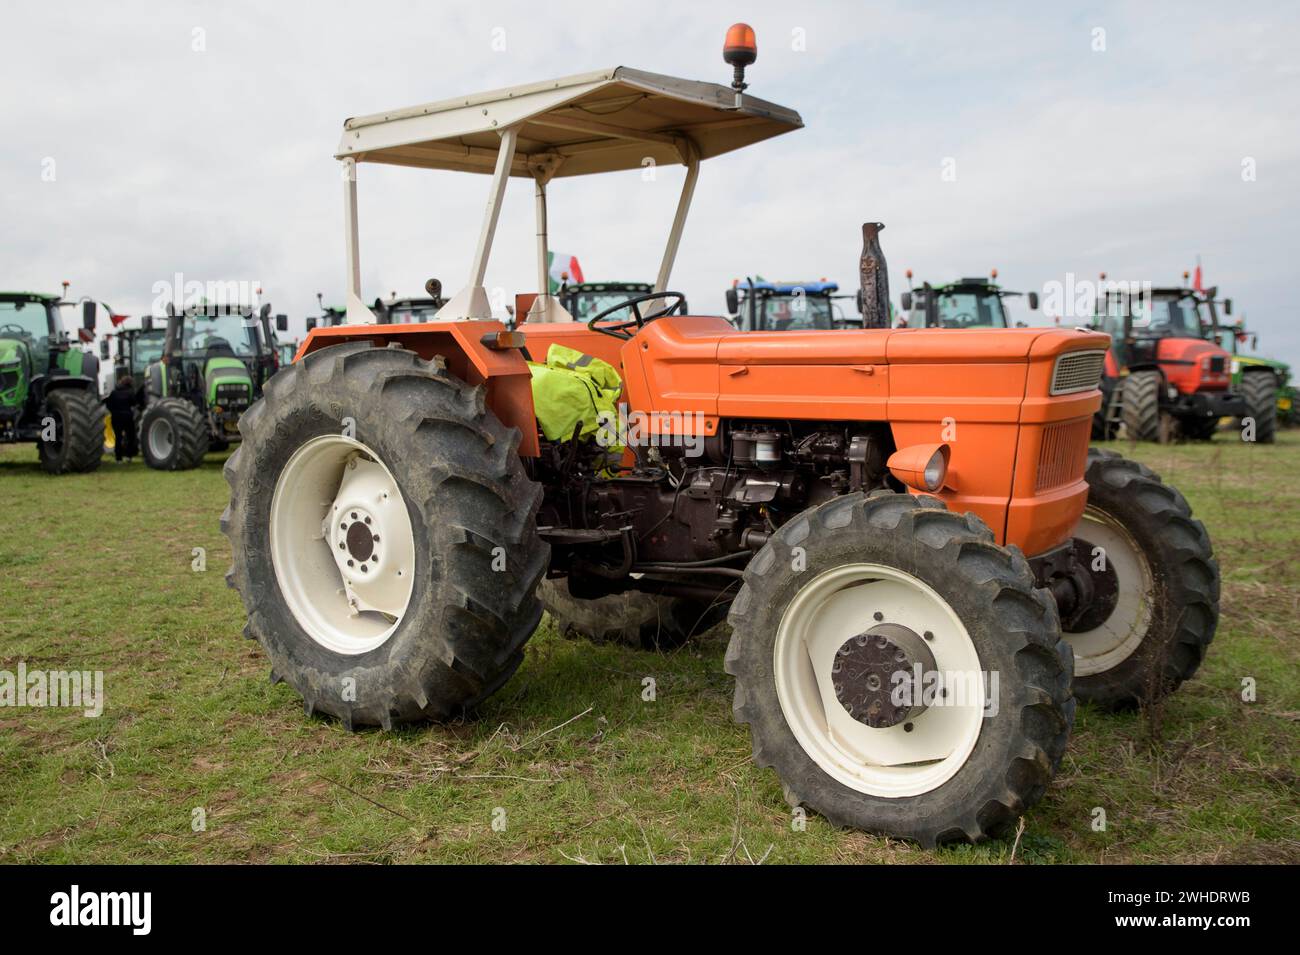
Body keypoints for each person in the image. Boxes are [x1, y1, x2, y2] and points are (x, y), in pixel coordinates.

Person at [103, 372, 143, 462]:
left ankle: (118, 458)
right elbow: (135, 403)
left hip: (116, 417)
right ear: (130, 384)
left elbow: (108, 404)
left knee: (118, 437)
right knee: (130, 437)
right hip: (127, 417)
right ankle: (129, 456)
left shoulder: (113, 393)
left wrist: (114, 411)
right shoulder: (130, 393)